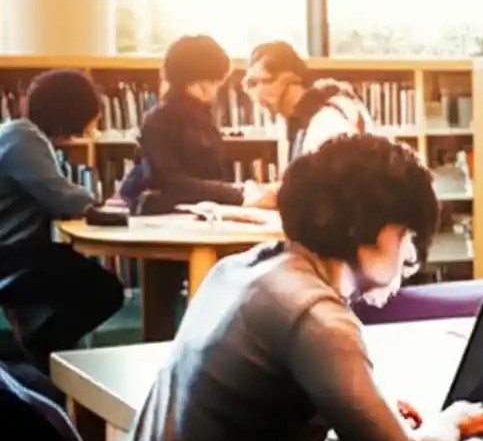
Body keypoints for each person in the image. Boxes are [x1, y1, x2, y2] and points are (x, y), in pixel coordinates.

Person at [114, 134, 483, 441]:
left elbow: (261, 399)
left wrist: (363, 409)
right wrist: (451, 423)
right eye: (407, 234)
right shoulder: (317, 315)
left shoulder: (242, 268)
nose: (411, 254)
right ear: (366, 226)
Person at [0, 70, 125, 375]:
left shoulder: (17, 134)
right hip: (11, 255)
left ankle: (47, 351)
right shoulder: (24, 138)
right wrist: (98, 203)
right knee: (105, 290)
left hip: (14, 251)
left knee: (77, 278)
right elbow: (62, 198)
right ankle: (46, 349)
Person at [127, 35, 269, 213]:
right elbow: (172, 183)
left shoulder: (201, 117)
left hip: (202, 213)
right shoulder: (161, 120)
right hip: (169, 218)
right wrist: (236, 194)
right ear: (198, 82)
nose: (217, 89)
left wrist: (238, 191)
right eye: (215, 82)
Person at [243, 40, 373, 164]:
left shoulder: (327, 123)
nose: (256, 94)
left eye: (255, 82)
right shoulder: (292, 124)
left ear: (288, 78)